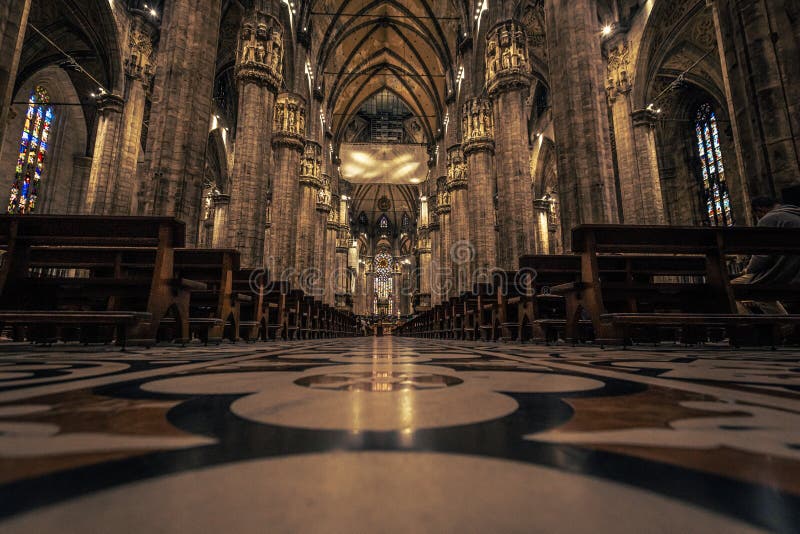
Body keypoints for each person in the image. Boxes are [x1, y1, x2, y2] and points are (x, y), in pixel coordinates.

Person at [732, 185, 800, 314]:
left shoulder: (769, 219)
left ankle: (779, 323)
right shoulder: (795, 213)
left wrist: (747, 270)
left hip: (789, 275)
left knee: (730, 289)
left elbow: (761, 256)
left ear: (760, 210)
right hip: (794, 272)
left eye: (757, 216)